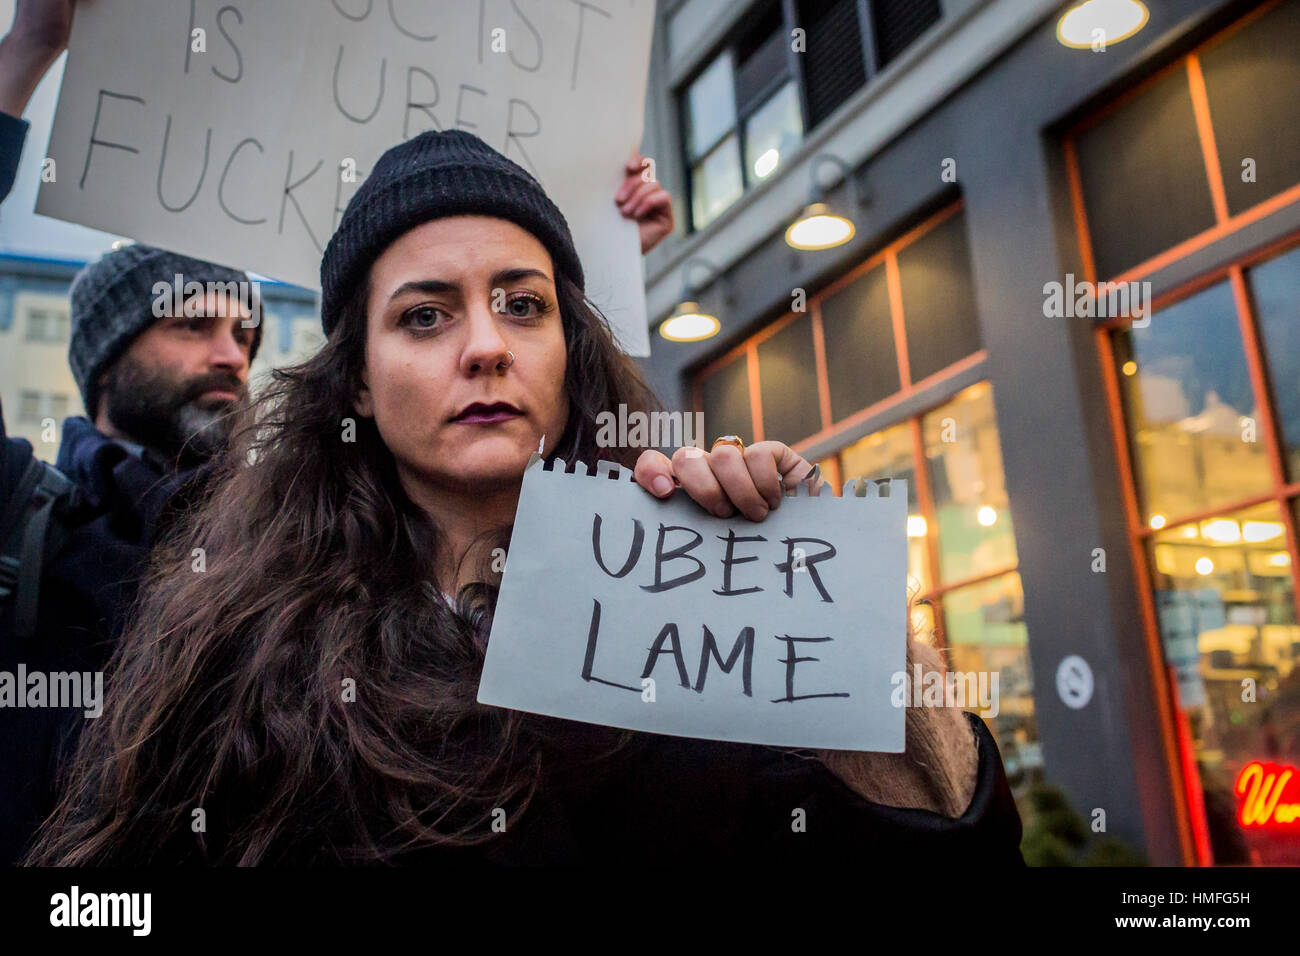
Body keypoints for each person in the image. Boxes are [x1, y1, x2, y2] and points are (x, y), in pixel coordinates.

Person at [25, 128, 1022, 866]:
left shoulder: (706, 588)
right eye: (424, 315)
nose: (486, 343)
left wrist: (838, 611)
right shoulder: (238, 645)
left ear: (569, 354)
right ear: (361, 383)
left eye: (523, 303)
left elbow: (953, 854)